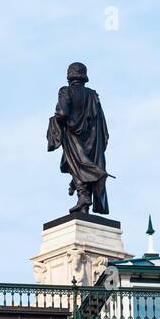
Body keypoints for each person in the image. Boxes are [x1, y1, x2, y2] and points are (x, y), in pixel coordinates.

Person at [46, 62, 111, 215]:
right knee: (84, 166)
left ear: (69, 76)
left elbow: (62, 112)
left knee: (76, 164)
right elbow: (102, 124)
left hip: (72, 137)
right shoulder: (93, 95)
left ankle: (83, 197)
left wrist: (54, 122)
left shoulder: (65, 91)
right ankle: (83, 201)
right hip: (92, 139)